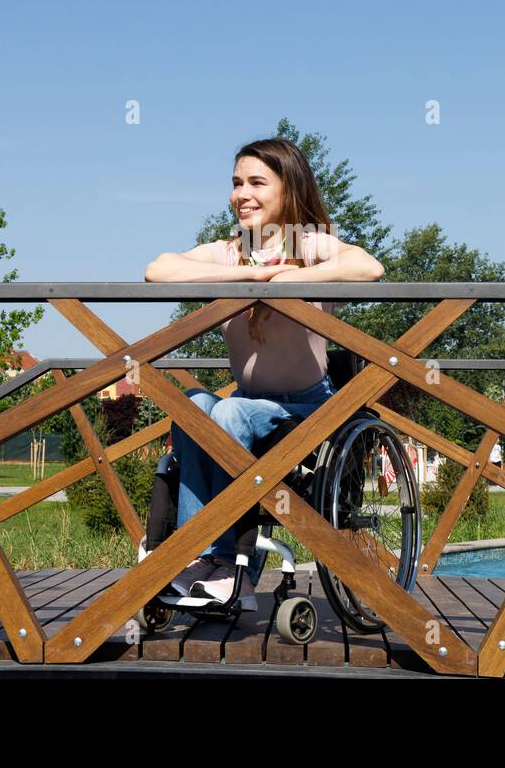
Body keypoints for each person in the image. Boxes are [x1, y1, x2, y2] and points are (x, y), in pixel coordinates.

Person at [143, 137, 384, 609]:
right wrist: (247, 278)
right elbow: (158, 269)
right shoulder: (229, 253)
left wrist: (291, 277)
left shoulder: (305, 243)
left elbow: (369, 266)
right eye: (236, 183)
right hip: (245, 405)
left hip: (308, 409)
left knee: (229, 410)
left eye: (256, 182)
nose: (242, 193)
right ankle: (206, 560)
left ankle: (226, 564)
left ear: (287, 189)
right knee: (193, 405)